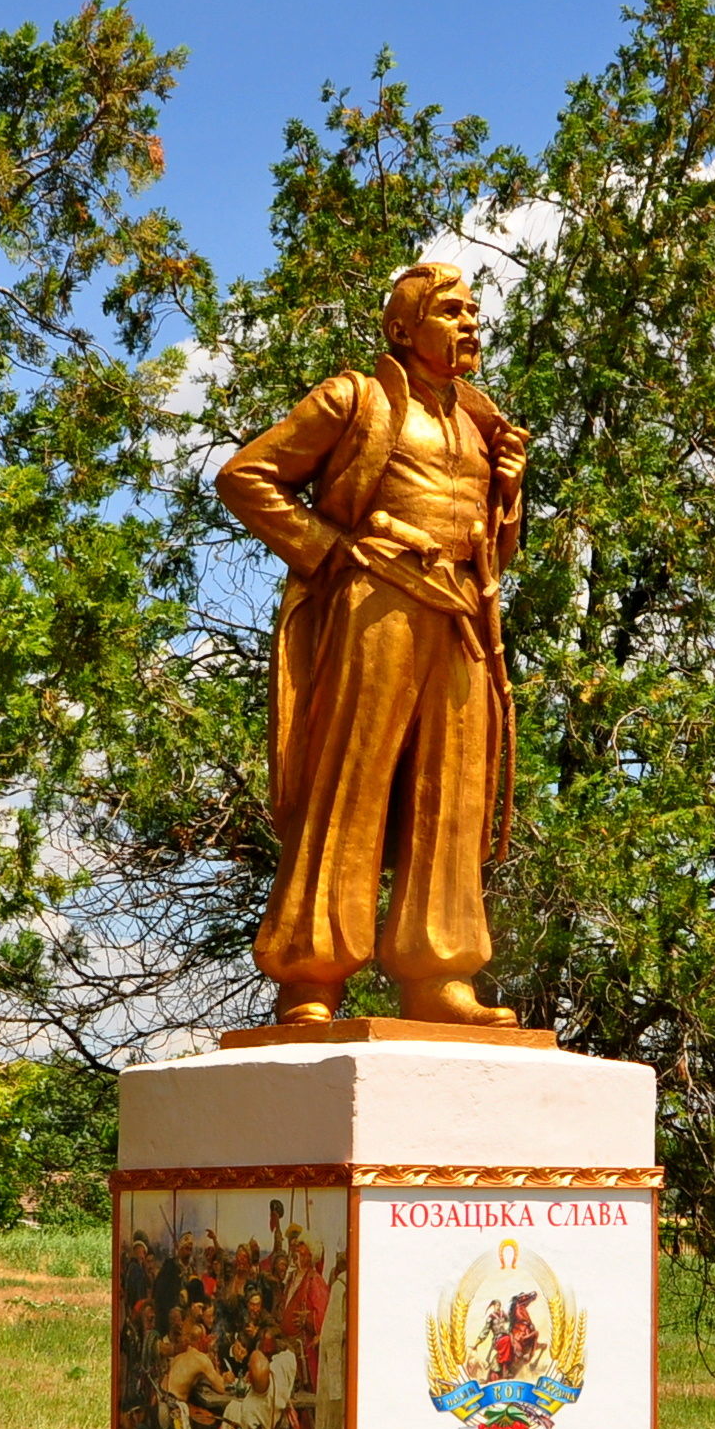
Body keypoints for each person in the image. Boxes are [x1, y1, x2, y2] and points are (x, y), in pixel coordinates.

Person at [215, 263, 528, 1027]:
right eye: (450, 311)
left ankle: (439, 975)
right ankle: (311, 976)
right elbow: (246, 477)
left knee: (453, 797)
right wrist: (328, 550)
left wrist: (510, 495)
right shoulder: (354, 399)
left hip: (460, 613)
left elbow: (494, 552)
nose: (469, 324)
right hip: (377, 600)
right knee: (347, 784)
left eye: (473, 312)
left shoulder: (482, 424)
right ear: (401, 329)